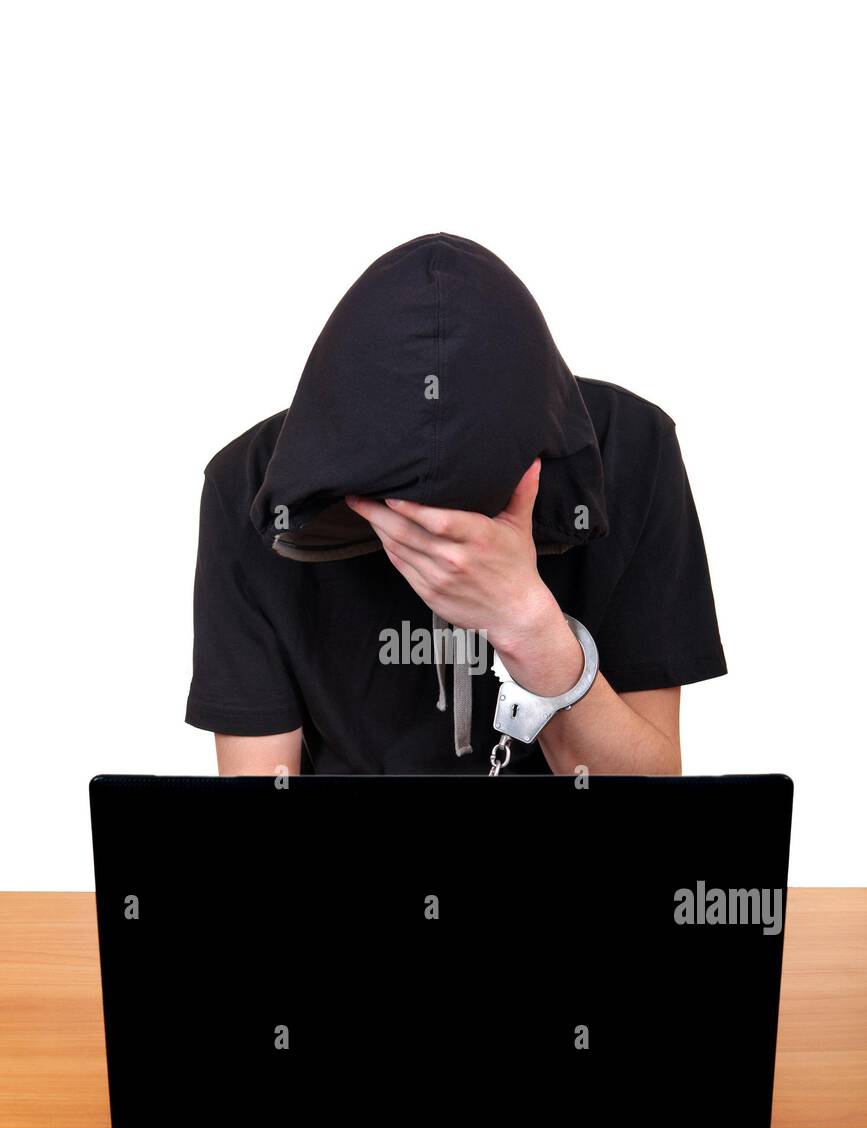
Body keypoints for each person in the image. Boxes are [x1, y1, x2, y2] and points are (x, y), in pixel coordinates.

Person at [185, 233, 726, 776]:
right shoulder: (252, 488)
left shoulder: (631, 453)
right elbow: (253, 823)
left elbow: (652, 820)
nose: (441, 537)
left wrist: (526, 620)